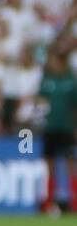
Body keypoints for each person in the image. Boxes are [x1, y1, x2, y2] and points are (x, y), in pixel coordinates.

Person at [37, 49, 77, 215]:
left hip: (66, 129)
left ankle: (74, 202)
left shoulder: (71, 81)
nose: (51, 64)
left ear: (61, 61)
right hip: (50, 129)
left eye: (54, 60)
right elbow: (40, 104)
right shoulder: (46, 81)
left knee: (70, 166)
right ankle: (48, 202)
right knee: (50, 167)